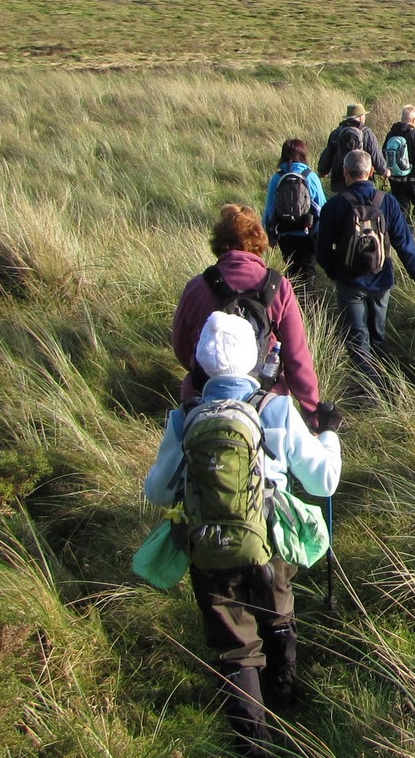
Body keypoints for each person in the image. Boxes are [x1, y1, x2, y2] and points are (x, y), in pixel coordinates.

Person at [145, 311, 342, 757]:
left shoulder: (185, 417)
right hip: (268, 543)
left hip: (208, 546)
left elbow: (157, 492)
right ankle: (284, 701)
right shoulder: (275, 408)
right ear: (253, 356)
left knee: (234, 648)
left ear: (201, 362)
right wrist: (329, 434)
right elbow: (323, 482)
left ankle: (253, 743)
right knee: (278, 614)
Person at [172, 203, 322, 425]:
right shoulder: (278, 287)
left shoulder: (197, 287)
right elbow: (297, 358)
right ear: (258, 241)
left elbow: (181, 347)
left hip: (203, 401)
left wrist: (209, 369)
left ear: (219, 242)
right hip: (266, 402)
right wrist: (313, 412)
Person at [315, 149, 415, 384]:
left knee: (357, 339)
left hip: (349, 282)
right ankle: (383, 384)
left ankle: (370, 388)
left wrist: (335, 272)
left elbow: (321, 250)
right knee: (377, 335)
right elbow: (405, 244)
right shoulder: (387, 202)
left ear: (344, 172)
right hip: (382, 280)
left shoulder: (334, 206)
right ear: (371, 171)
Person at [262, 138, 328, 289]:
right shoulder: (310, 176)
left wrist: (271, 234)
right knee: (308, 271)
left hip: (285, 233)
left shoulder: (277, 178)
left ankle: (291, 298)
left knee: (291, 271)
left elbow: (270, 209)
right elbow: (322, 206)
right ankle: (306, 301)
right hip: (308, 233)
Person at [316, 103, 388, 194]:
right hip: (362, 184)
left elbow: (327, 156)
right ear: (361, 117)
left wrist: (322, 171)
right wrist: (384, 171)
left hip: (340, 184)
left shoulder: (336, 133)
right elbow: (376, 157)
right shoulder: (367, 133)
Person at [383, 104, 415, 224]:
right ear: (414, 120)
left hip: (395, 179)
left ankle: (401, 232)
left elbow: (383, 153)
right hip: (413, 179)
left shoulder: (391, 134)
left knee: (401, 209)